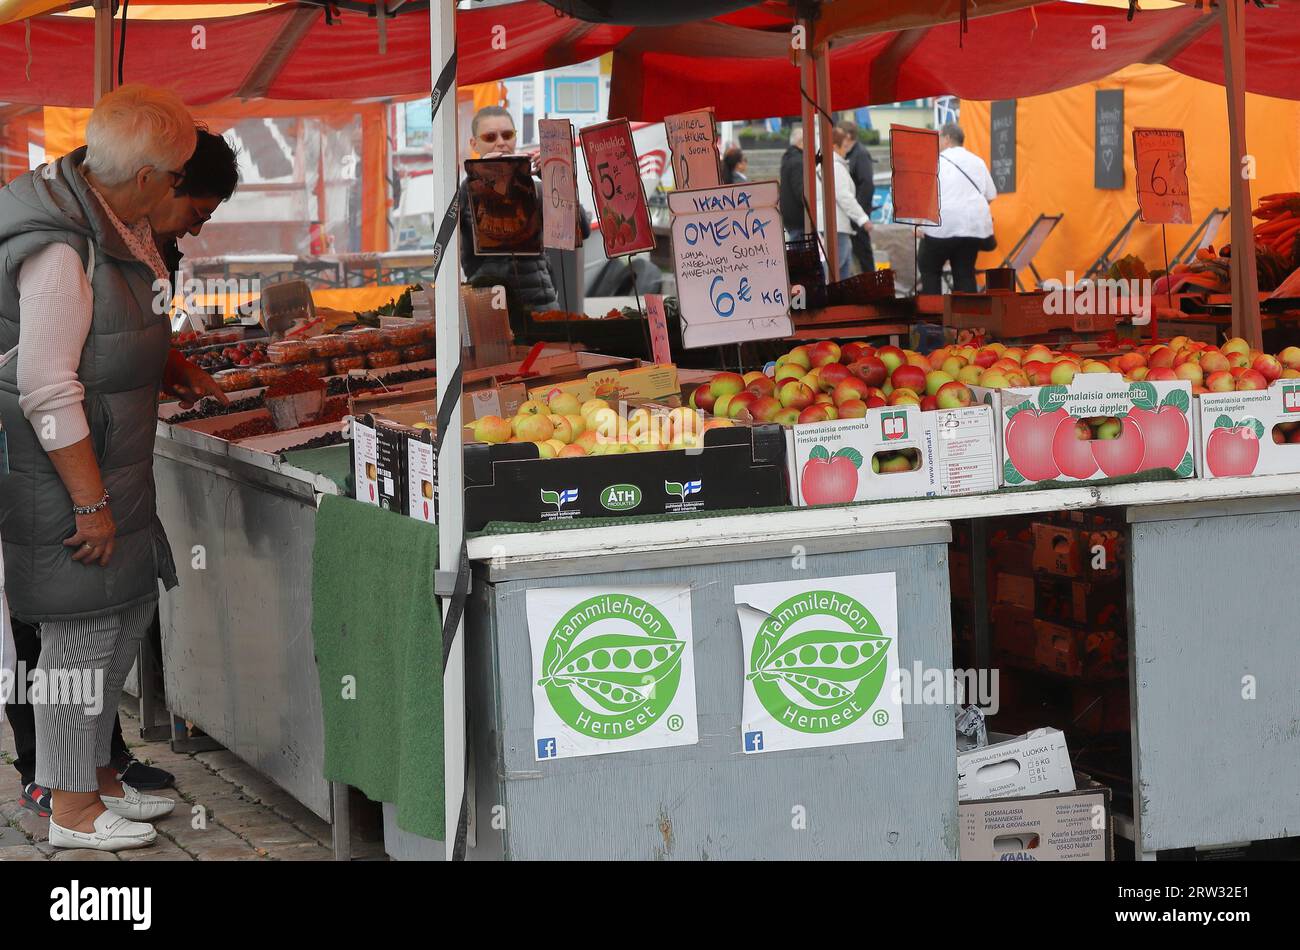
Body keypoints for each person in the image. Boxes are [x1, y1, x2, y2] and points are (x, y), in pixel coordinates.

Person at [2, 126, 241, 822]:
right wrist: (89, 504)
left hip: (111, 457)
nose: (187, 218)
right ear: (148, 177)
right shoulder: (63, 243)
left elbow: (118, 331)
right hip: (63, 466)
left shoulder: (124, 234)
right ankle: (64, 799)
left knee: (123, 612)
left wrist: (172, 366)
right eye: (185, 196)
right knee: (75, 632)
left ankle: (96, 777)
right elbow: (44, 383)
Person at [458, 106, 589, 320]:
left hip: (542, 306)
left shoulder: (534, 187)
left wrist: (553, 179)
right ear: (474, 144)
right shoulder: (465, 192)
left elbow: (580, 229)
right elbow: (445, 240)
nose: (501, 142)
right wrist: (481, 176)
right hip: (492, 306)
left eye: (507, 135)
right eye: (490, 136)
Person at [919, 122, 997, 294]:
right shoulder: (978, 161)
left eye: (938, 138)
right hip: (972, 229)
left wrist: (918, 224)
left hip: (941, 228)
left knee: (929, 269)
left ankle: (934, 317)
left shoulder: (935, 161)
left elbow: (923, 197)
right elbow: (990, 195)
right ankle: (970, 318)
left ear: (947, 139)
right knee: (965, 273)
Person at [816, 126, 871, 279]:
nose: (846, 151)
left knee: (841, 268)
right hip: (836, 226)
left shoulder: (823, 165)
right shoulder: (835, 167)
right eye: (845, 147)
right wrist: (863, 218)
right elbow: (844, 196)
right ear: (835, 147)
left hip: (829, 224)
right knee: (836, 270)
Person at [837, 120, 876, 272]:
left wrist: (859, 214)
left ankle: (873, 287)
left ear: (848, 136)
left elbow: (866, 185)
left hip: (857, 215)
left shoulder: (860, 154)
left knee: (863, 254)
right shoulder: (849, 153)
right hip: (852, 214)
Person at [779, 125, 806, 241]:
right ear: (801, 142)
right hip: (799, 219)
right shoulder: (798, 162)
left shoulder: (788, 158)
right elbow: (801, 191)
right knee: (802, 256)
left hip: (790, 218)